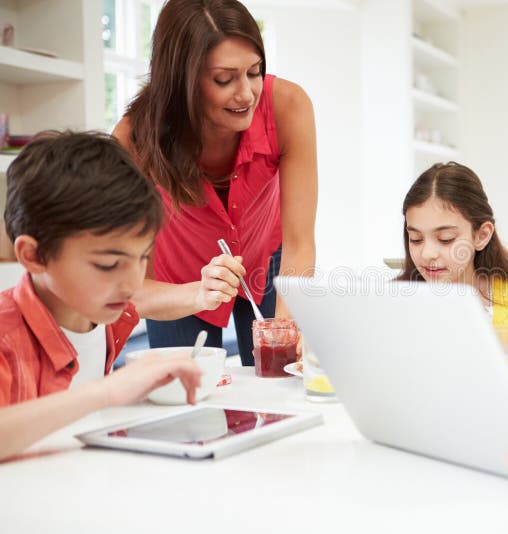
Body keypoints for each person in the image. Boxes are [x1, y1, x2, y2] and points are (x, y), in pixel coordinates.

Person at [113, 0, 318, 365]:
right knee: (189, 393)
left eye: (254, 72)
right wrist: (195, 294)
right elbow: (127, 287)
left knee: (279, 375)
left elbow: (300, 242)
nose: (246, 94)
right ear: (180, 81)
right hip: (178, 277)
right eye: (224, 79)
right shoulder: (134, 139)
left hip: (267, 258)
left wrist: (283, 335)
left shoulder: (287, 105)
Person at [0, 131, 205, 461]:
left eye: (143, 257)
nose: (132, 282)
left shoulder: (106, 315)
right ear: (33, 256)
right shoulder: (6, 336)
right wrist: (106, 392)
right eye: (108, 264)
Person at [397, 162, 508, 328]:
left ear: (481, 236)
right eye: (416, 239)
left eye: (446, 239)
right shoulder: (395, 301)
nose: (427, 254)